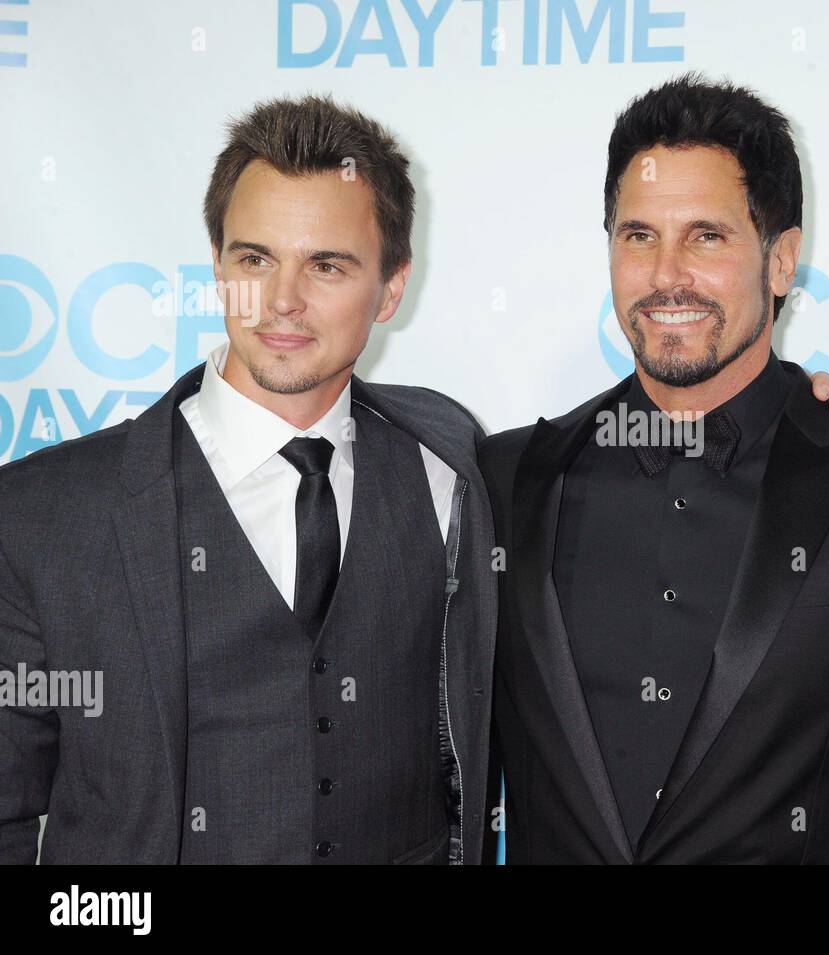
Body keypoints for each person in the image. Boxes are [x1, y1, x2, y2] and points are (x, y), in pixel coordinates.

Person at [0, 95, 495, 864]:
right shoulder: (41, 514)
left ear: (392, 288)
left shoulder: (448, 467)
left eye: (326, 264)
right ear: (218, 265)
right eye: (254, 258)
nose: (281, 301)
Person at [479, 75, 829, 864]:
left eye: (706, 236)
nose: (667, 276)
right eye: (638, 236)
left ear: (781, 260)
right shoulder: (500, 480)